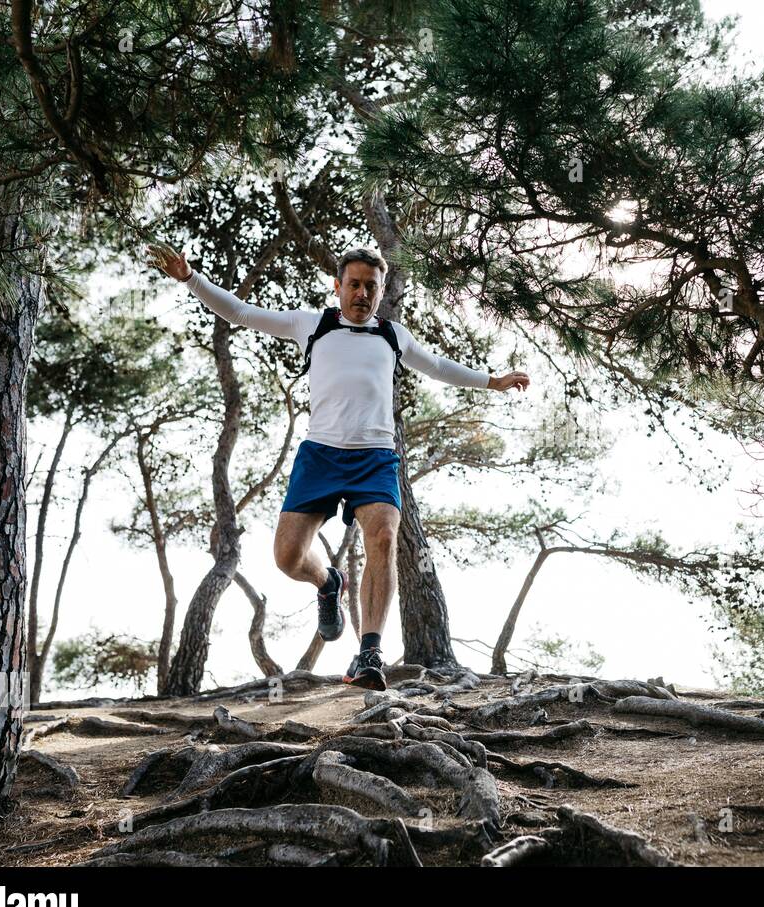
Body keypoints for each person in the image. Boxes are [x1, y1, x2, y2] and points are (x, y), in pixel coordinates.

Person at [148, 243, 530, 689]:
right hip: (321, 455)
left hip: (376, 457)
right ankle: (329, 582)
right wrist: (191, 279)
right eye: (354, 285)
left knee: (384, 537)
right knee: (287, 557)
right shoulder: (311, 325)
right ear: (338, 286)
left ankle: (369, 653)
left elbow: (438, 365)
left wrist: (492, 381)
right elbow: (241, 313)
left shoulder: (393, 335)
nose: (362, 294)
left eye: (371, 286)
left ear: (381, 290)